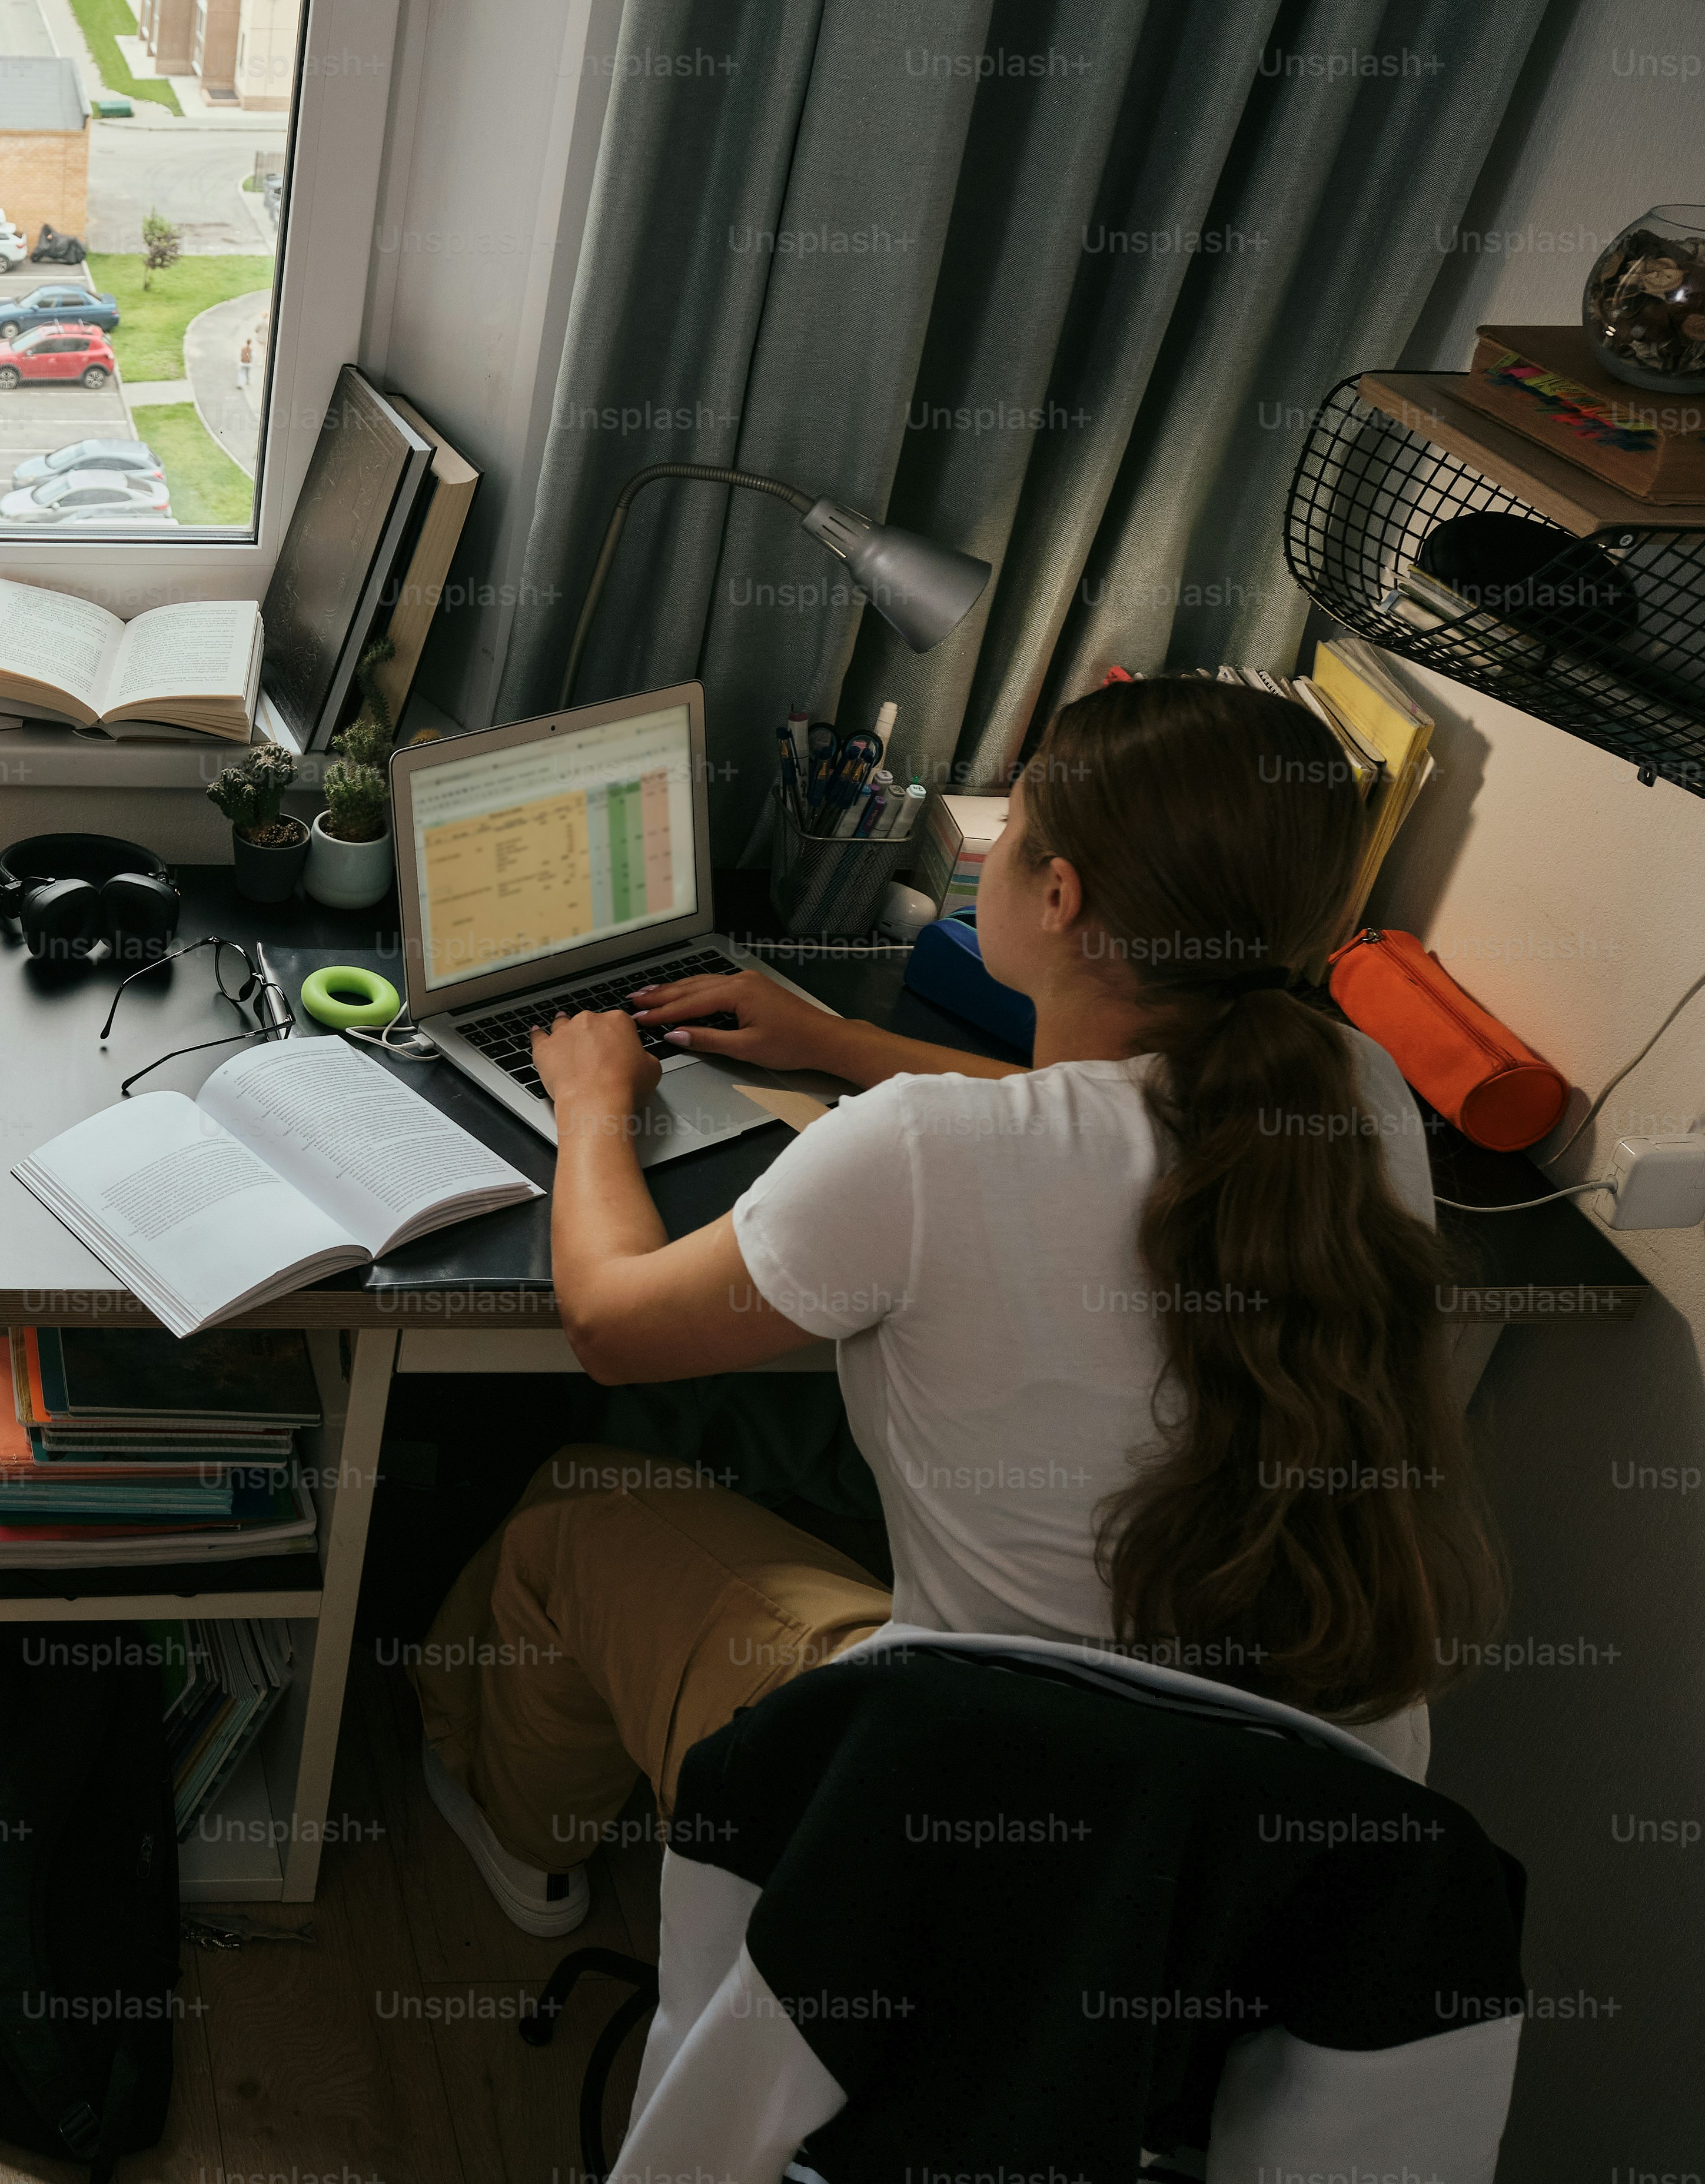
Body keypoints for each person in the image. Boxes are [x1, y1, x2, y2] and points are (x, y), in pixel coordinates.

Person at [407, 675, 1504, 1935]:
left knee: (571, 1513)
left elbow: (610, 1323)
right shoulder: (1350, 1092)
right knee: (788, 1441)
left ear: (1059, 894)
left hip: (961, 1823)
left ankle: (521, 1843)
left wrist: (594, 1097)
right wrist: (841, 1041)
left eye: (1012, 833)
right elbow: (1110, 1114)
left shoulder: (924, 1151)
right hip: (1280, 1878)